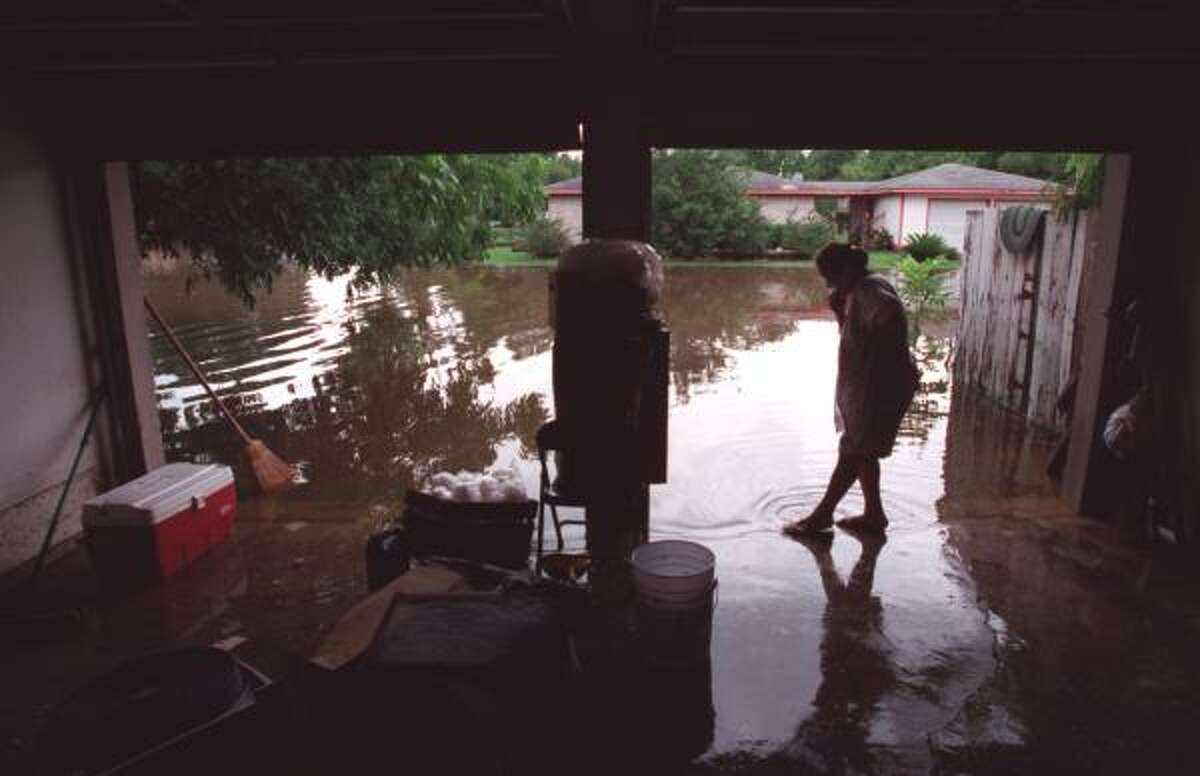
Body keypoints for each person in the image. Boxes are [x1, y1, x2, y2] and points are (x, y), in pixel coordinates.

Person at [783, 243, 918, 536]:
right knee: (863, 449)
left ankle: (822, 515)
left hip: (881, 386)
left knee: (853, 448)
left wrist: (883, 361)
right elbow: (857, 335)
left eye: (831, 276)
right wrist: (839, 311)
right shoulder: (864, 289)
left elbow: (890, 314)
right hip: (874, 384)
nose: (830, 284)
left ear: (848, 269)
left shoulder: (869, 289)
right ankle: (874, 514)